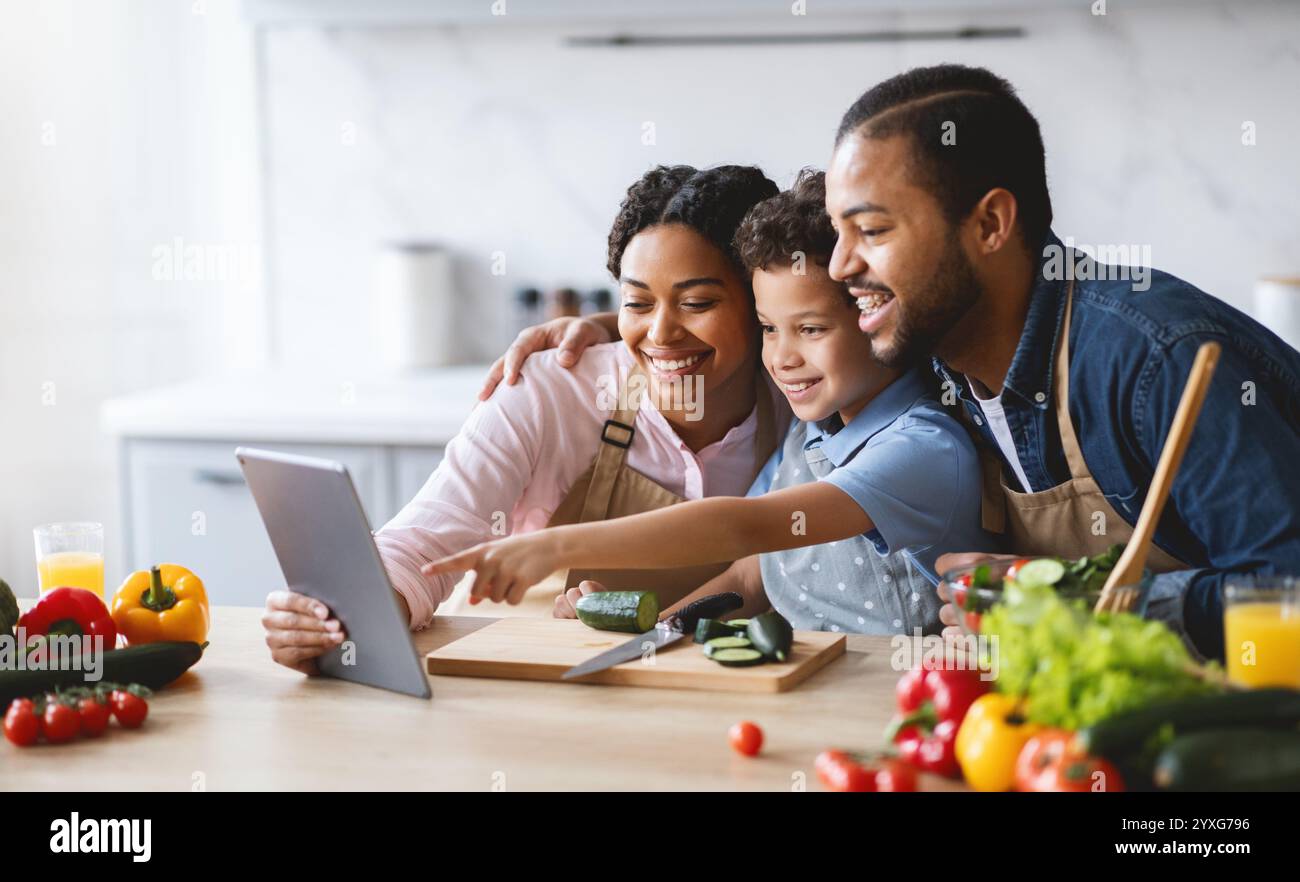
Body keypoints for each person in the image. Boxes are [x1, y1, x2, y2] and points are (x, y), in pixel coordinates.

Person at [491, 66, 1300, 662]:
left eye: (870, 232)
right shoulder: (936, 348)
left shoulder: (1154, 361)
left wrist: (1070, 599)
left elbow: (1290, 603)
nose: (841, 267)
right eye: (839, 233)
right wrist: (630, 324)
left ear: (989, 224)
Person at [261, 164, 791, 674]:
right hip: (535, 678)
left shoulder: (801, 403)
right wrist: (341, 621)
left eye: (697, 302)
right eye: (636, 302)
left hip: (715, 690)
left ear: (759, 299)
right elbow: (424, 540)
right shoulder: (549, 388)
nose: (660, 333)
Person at [426, 171, 992, 634]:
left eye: (811, 329)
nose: (782, 358)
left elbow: (743, 529)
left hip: (891, 693)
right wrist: (653, 636)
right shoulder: (814, 425)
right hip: (807, 683)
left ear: (878, 315)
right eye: (770, 329)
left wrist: (556, 547)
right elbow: (749, 576)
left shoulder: (920, 447)